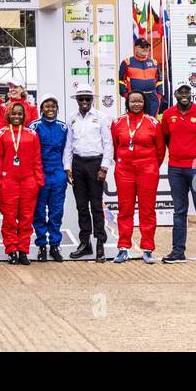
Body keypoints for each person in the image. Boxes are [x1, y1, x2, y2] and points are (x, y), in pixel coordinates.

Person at [160, 84, 196, 266]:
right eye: (181, 92)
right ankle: (178, 251)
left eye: (187, 92)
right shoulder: (168, 114)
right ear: (176, 95)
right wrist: (179, 152)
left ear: (191, 94)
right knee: (179, 211)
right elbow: (167, 138)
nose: (184, 95)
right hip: (176, 168)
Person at [110, 90, 166, 263]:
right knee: (124, 209)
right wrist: (123, 162)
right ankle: (123, 247)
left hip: (147, 170)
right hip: (124, 170)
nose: (136, 104)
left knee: (147, 210)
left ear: (144, 103)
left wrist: (150, 165)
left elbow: (160, 150)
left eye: (139, 101)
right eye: (133, 101)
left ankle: (147, 248)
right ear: (127, 102)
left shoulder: (153, 123)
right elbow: (114, 146)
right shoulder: (117, 122)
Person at [64, 85, 112, 261]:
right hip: (77, 163)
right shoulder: (72, 118)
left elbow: (108, 144)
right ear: (76, 100)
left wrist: (104, 167)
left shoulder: (100, 117)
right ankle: (85, 243)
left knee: (96, 206)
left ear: (92, 99)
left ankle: (100, 244)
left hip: (95, 164)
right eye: (81, 99)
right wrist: (67, 167)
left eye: (87, 98)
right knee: (81, 206)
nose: (84, 102)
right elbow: (69, 144)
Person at [0, 101, 43, 264]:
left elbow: (37, 158)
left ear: (24, 116)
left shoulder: (32, 134)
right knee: (9, 218)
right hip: (8, 182)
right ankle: (11, 250)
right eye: (13, 113)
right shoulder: (1, 134)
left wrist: (38, 180)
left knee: (26, 218)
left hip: (29, 181)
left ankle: (23, 250)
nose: (16, 116)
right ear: (8, 114)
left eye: (19, 114)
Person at [30, 94, 69, 262]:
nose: (50, 109)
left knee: (56, 212)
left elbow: (68, 151)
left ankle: (54, 245)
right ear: (41, 109)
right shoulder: (34, 126)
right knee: (38, 212)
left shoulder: (63, 127)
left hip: (58, 174)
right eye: (47, 106)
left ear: (57, 108)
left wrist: (67, 171)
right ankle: (41, 246)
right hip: (40, 174)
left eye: (53, 106)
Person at [118, 37, 164, 118]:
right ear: (135, 48)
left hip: (152, 97)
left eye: (147, 47)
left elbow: (159, 81)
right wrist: (127, 95)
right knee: (136, 121)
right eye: (142, 47)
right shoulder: (127, 62)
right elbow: (121, 81)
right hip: (136, 97)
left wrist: (159, 95)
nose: (145, 49)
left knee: (152, 121)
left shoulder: (154, 62)